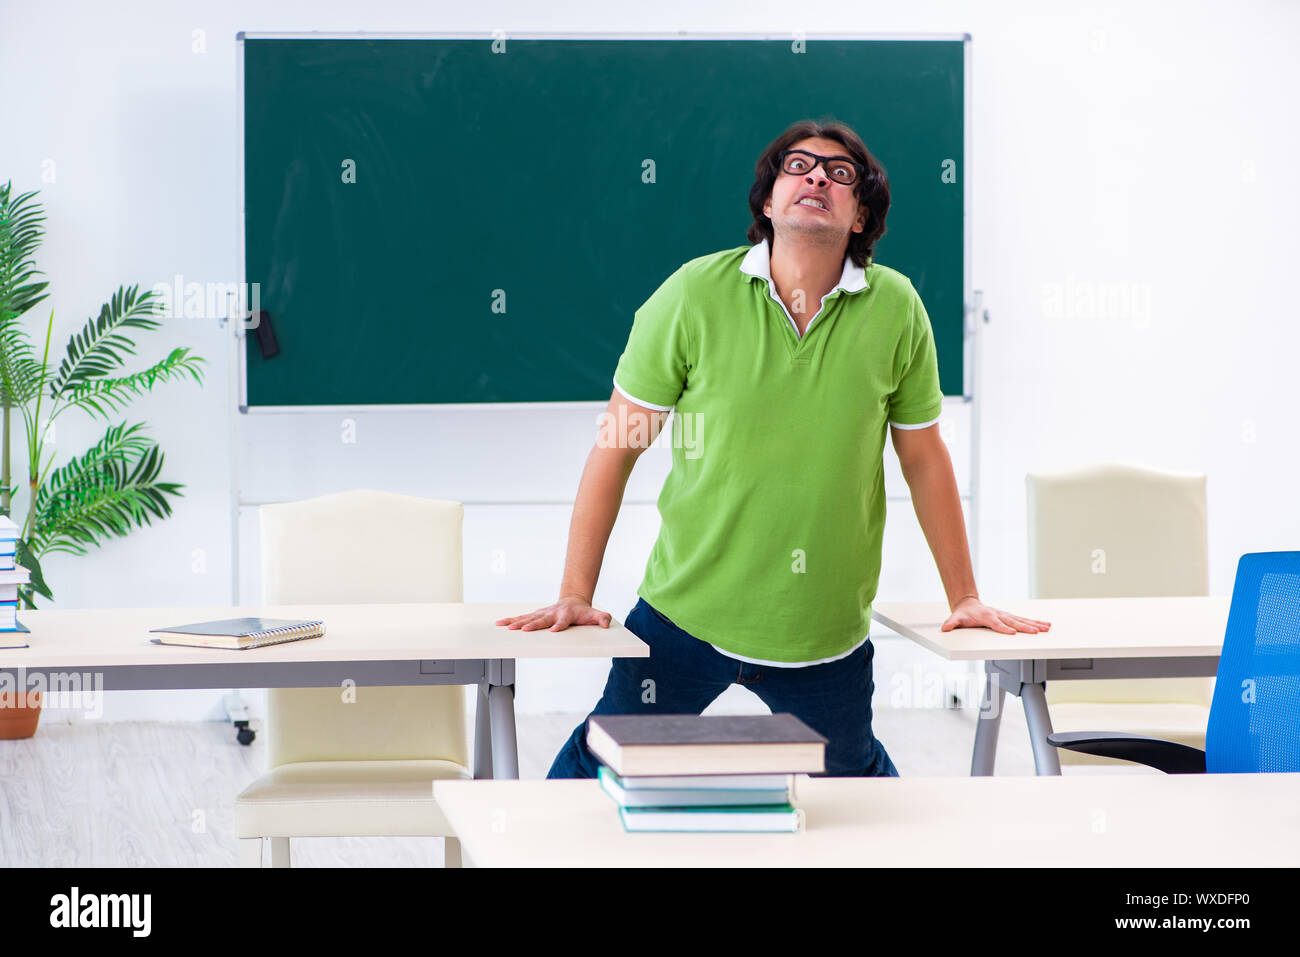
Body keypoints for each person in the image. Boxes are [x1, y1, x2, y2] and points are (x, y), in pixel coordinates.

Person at [495, 118, 1051, 778]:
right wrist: (574, 589)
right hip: (684, 617)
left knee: (861, 798)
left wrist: (964, 596)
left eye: (840, 173)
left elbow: (924, 457)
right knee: (592, 772)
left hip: (822, 634)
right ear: (767, 200)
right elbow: (618, 446)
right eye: (798, 165)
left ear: (860, 215)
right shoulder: (693, 295)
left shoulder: (896, 308)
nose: (817, 176)